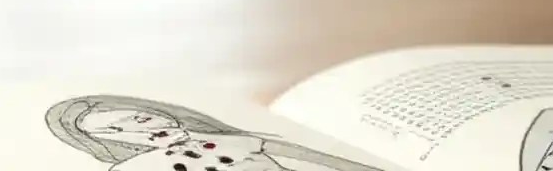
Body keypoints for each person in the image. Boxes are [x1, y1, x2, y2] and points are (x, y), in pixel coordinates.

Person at [46, 95, 380, 171]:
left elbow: (329, 161)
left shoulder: (233, 140)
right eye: (115, 130)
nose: (135, 130)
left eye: (140, 118)